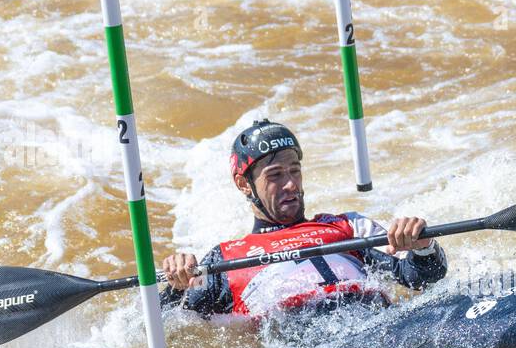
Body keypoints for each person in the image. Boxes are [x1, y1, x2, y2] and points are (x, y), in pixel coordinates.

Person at [161, 119, 447, 316]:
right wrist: (176, 287)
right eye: (275, 175)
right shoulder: (225, 260)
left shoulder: (348, 227)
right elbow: (167, 333)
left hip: (381, 324)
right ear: (243, 184)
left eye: (295, 170)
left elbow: (419, 279)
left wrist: (423, 247)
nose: (290, 184)